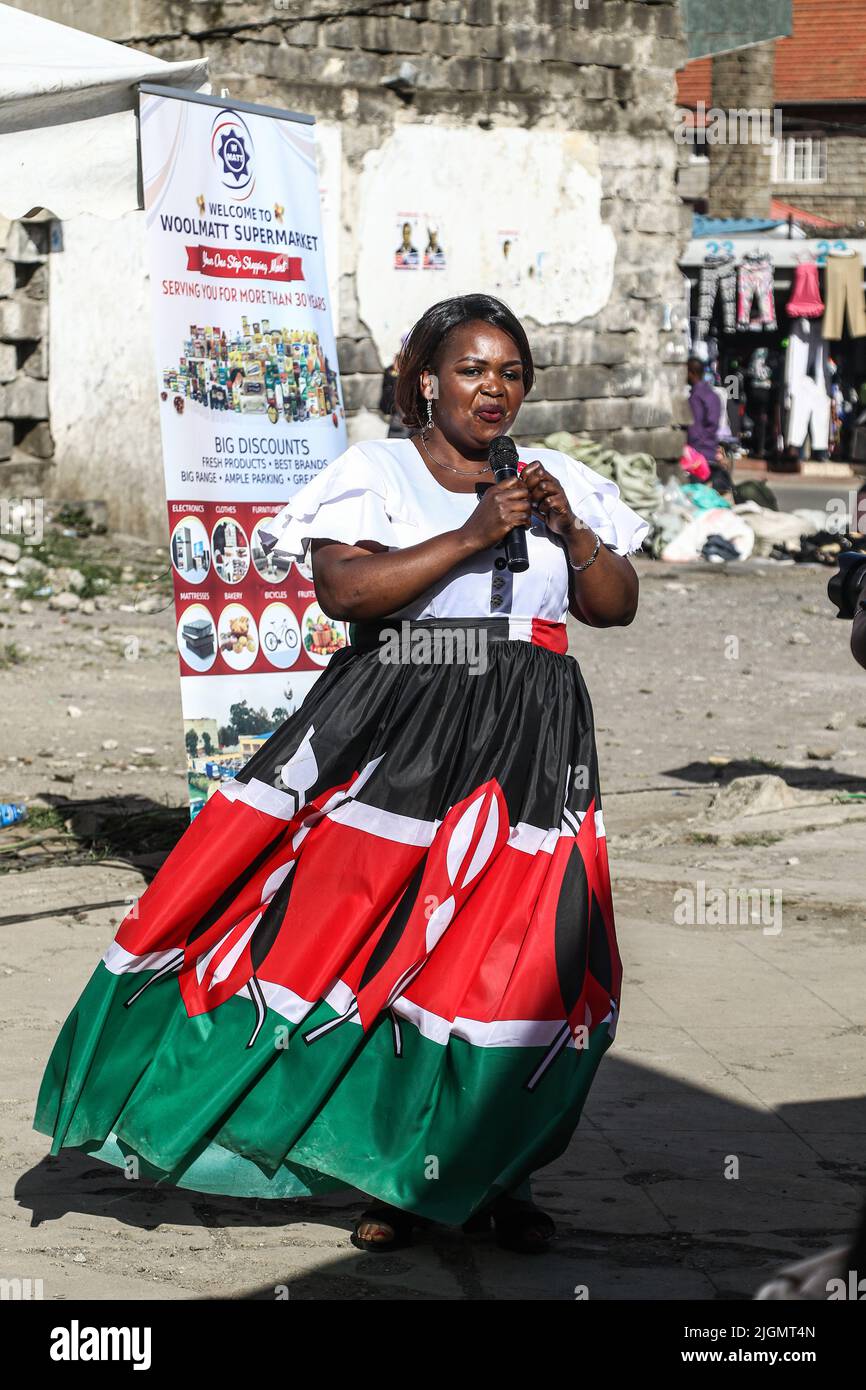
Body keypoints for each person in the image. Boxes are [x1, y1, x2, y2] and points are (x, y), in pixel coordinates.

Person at [34, 294, 647, 1257]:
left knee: (520, 964)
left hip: (532, 748)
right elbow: (345, 592)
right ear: (425, 379)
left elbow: (615, 607)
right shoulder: (378, 471)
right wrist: (477, 530)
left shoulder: (557, 476)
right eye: (472, 370)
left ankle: (493, 1175)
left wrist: (573, 536)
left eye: (511, 373)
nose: (494, 390)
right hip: (402, 737)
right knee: (387, 956)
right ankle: (388, 1178)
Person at [686, 355, 722, 467]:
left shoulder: (696, 397)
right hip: (711, 451)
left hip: (698, 454)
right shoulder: (713, 395)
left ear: (691, 373)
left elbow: (694, 429)